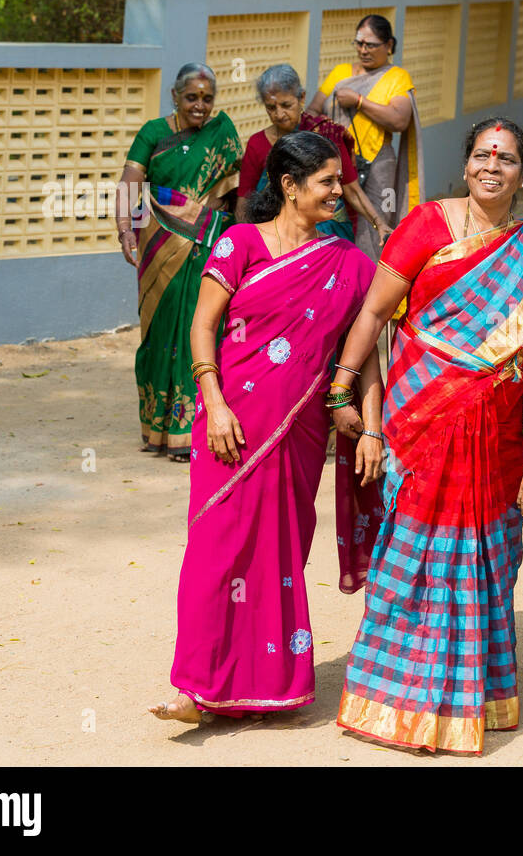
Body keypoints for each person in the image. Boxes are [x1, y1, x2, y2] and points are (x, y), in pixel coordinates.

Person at [329, 118, 523, 754]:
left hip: (497, 429)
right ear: (466, 162)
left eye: (505, 158)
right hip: (422, 419)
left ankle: (476, 700)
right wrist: (342, 387)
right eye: (481, 154)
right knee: (411, 556)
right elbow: (373, 311)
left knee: (488, 562)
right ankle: (398, 701)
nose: (491, 166)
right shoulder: (427, 225)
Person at [147, 131, 386, 724]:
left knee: (277, 554)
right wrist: (214, 401)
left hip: (300, 432)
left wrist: (373, 429)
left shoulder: (350, 265)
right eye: (328, 181)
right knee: (214, 551)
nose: (339, 191)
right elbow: (204, 327)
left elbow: (369, 353)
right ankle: (195, 686)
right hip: (228, 426)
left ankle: (264, 686)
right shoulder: (239, 244)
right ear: (289, 185)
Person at [114, 62, 241, 462]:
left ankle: (192, 430)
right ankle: (156, 428)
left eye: (207, 98)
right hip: (159, 246)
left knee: (200, 327)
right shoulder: (154, 132)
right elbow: (130, 184)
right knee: (158, 332)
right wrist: (124, 228)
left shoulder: (223, 132)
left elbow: (238, 195)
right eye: (192, 98)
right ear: (175, 97)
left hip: (209, 243)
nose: (200, 106)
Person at [308, 14, 423, 261]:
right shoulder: (341, 72)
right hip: (332, 160)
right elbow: (312, 110)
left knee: (374, 225)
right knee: (329, 218)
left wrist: (359, 101)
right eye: (359, 44)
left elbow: (399, 120)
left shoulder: (397, 77)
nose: (363, 50)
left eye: (370, 45)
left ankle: (369, 284)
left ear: (389, 45)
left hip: (377, 162)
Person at [237, 64, 390, 245]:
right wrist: (246, 242)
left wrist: (378, 223)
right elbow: (244, 201)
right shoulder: (258, 144)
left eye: (286, 105)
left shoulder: (324, 134)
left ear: (301, 97)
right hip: (276, 238)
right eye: (271, 107)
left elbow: (352, 190)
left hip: (326, 232)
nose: (279, 114)